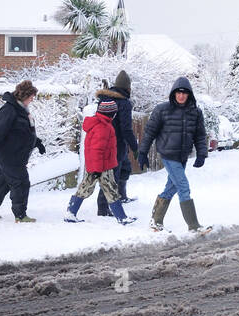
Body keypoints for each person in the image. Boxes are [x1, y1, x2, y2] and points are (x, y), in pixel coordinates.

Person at [137, 76, 210, 233]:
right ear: (173, 93)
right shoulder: (162, 110)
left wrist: (201, 154)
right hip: (168, 154)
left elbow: (200, 135)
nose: (181, 96)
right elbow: (150, 132)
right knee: (183, 186)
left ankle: (155, 221)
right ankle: (193, 226)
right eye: (178, 92)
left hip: (182, 156)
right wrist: (142, 152)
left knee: (171, 188)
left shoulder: (195, 112)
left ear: (189, 94)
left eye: (184, 93)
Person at [0, 80, 46, 223]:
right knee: (21, 183)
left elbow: (25, 132)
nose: (32, 100)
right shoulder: (9, 110)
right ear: (24, 95)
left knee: (1, 185)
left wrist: (37, 143)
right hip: (10, 156)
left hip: (16, 155)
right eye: (31, 97)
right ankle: (20, 215)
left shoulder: (21, 110)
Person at [65, 100, 135, 224]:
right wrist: (97, 170)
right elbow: (97, 150)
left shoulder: (98, 123)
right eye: (114, 113)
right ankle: (122, 218)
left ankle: (71, 212)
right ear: (110, 114)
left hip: (95, 165)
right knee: (111, 190)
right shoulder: (103, 127)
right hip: (102, 167)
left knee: (86, 188)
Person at [95, 69, 138, 216]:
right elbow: (126, 128)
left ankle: (120, 196)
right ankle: (103, 208)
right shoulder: (124, 103)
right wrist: (135, 146)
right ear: (128, 87)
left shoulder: (104, 99)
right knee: (111, 174)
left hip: (103, 142)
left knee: (124, 168)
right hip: (116, 144)